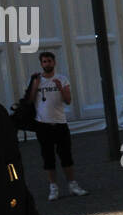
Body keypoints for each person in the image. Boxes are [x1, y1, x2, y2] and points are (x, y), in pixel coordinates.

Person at [27, 51, 88, 201]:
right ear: (41, 64)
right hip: (43, 125)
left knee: (66, 155)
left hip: (60, 123)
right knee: (48, 157)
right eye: (44, 61)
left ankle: (72, 185)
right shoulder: (36, 80)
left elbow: (68, 100)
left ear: (54, 62)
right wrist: (34, 86)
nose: (47, 64)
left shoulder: (62, 79)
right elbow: (29, 101)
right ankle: (53, 187)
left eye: (49, 61)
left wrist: (60, 87)